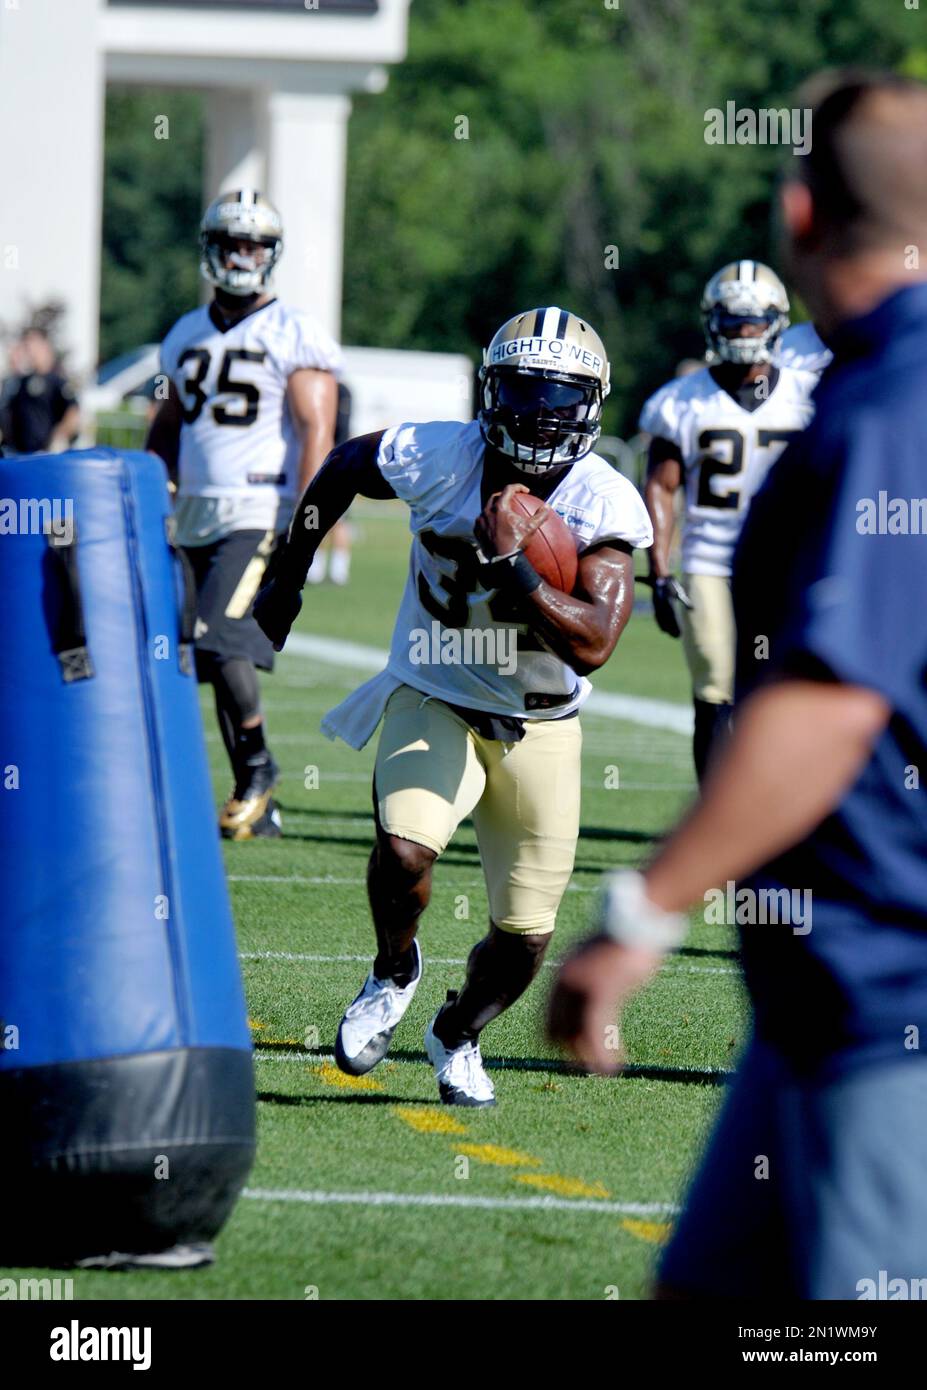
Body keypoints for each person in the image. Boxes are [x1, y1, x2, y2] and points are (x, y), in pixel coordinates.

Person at [548, 70, 927, 1300]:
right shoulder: (871, 384)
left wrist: (645, 909)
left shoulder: (891, 407)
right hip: (825, 995)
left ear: (799, 215)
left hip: (888, 996)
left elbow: (831, 703)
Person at [255, 307, 652, 1105]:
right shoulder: (437, 453)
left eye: (558, 395)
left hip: (541, 722)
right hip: (433, 688)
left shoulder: (601, 500)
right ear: (489, 389)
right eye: (522, 388)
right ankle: (393, 969)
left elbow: (596, 642)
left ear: (592, 403)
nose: (538, 410)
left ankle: (457, 1031)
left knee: (524, 939)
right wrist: (284, 575)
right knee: (405, 853)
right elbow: (338, 467)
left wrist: (519, 574)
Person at [147, 188, 341, 839]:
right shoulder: (184, 333)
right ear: (210, 248)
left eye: (252, 242)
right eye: (230, 241)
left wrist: (307, 517)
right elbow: (168, 423)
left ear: (270, 253)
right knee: (199, 653)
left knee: (219, 637)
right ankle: (259, 808)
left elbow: (317, 427)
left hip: (260, 509)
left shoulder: (293, 330)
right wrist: (153, 490)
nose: (240, 252)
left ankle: (258, 766)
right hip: (195, 515)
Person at [641, 262, 817, 780]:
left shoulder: (806, 393)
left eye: (753, 319)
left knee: (791, 690)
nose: (744, 330)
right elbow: (661, 489)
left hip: (790, 565)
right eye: (733, 319)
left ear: (776, 321)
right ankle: (722, 834)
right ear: (712, 321)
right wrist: (660, 572)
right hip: (711, 562)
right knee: (717, 687)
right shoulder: (680, 401)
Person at [0, 328, 79, 455]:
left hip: (44, 453)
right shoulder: (20, 382)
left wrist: (59, 436)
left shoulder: (57, 381)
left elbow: (73, 412)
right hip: (18, 452)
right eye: (27, 346)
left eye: (33, 345)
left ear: (44, 346)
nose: (30, 351)